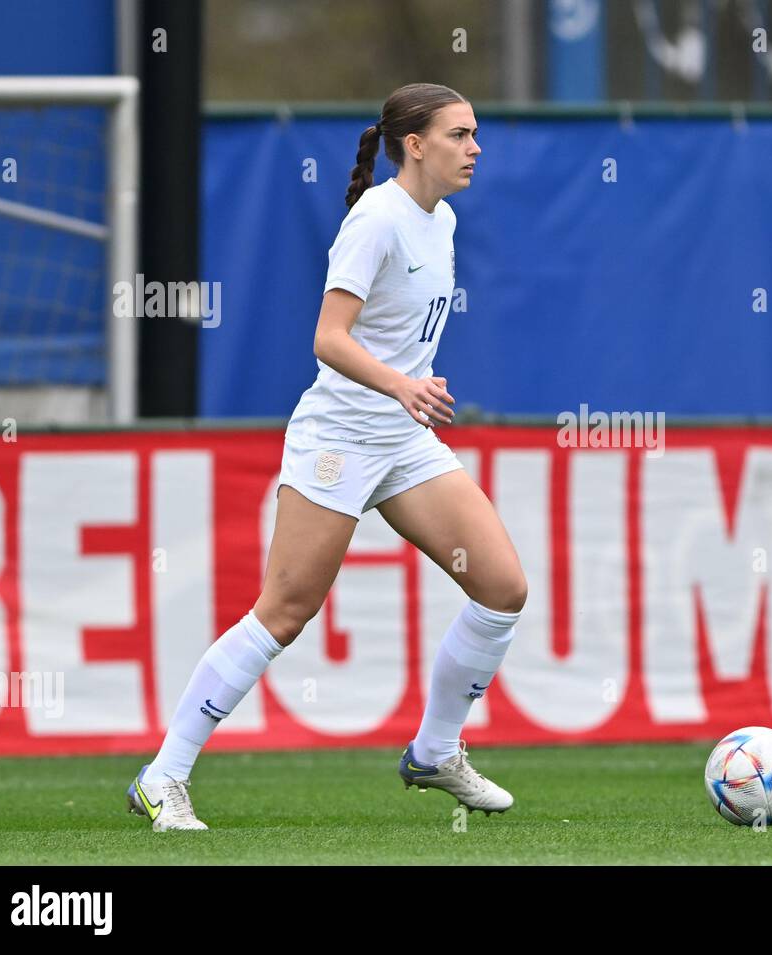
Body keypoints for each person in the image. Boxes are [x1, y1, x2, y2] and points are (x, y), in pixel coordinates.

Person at [126, 83, 527, 831]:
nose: (475, 148)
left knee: (502, 588)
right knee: (284, 611)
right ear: (415, 144)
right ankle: (163, 775)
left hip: (401, 440)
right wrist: (404, 385)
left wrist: (410, 389)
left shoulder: (442, 221)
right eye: (461, 133)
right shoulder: (376, 219)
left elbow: (395, 340)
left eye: (475, 133)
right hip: (339, 440)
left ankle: (436, 750)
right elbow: (329, 339)